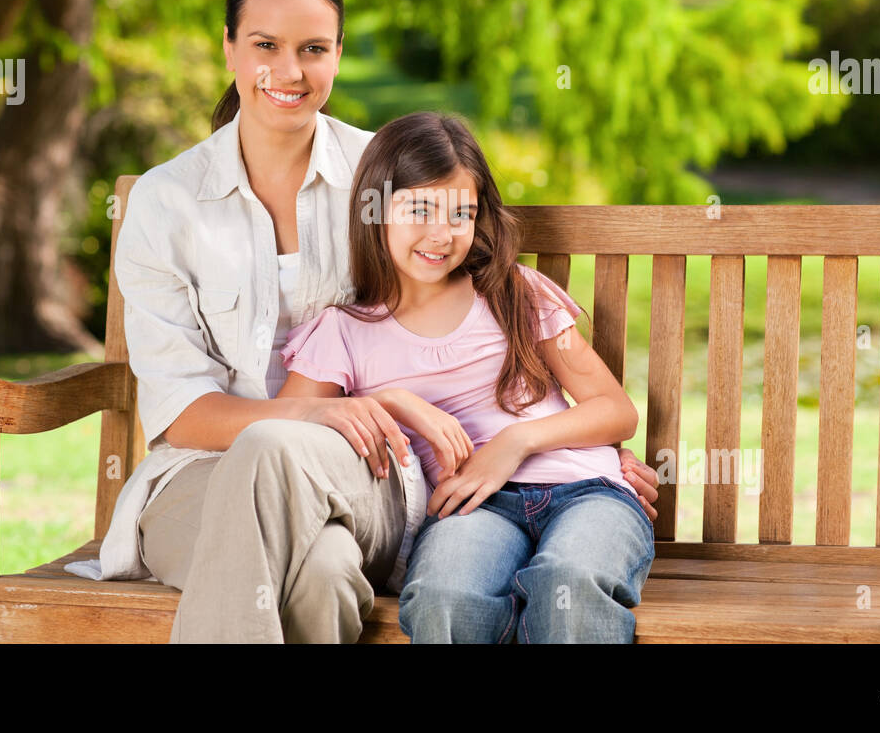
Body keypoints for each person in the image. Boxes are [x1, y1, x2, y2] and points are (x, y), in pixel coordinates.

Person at [66, 0, 660, 643]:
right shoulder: (168, 202)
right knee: (314, 560)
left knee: (291, 477)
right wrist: (362, 408)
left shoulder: (385, 174)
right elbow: (180, 415)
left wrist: (567, 452)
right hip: (205, 474)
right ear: (228, 47)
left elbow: (476, 304)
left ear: (339, 54)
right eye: (265, 45)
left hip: (362, 476)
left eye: (313, 48)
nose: (289, 71)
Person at [278, 111, 655, 643]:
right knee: (445, 598)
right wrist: (393, 401)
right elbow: (290, 430)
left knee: (567, 581)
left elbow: (616, 410)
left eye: (463, 213)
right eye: (420, 209)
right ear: (375, 210)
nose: (442, 233)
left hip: (586, 490)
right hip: (471, 511)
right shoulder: (342, 332)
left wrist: (515, 441)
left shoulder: (515, 293)